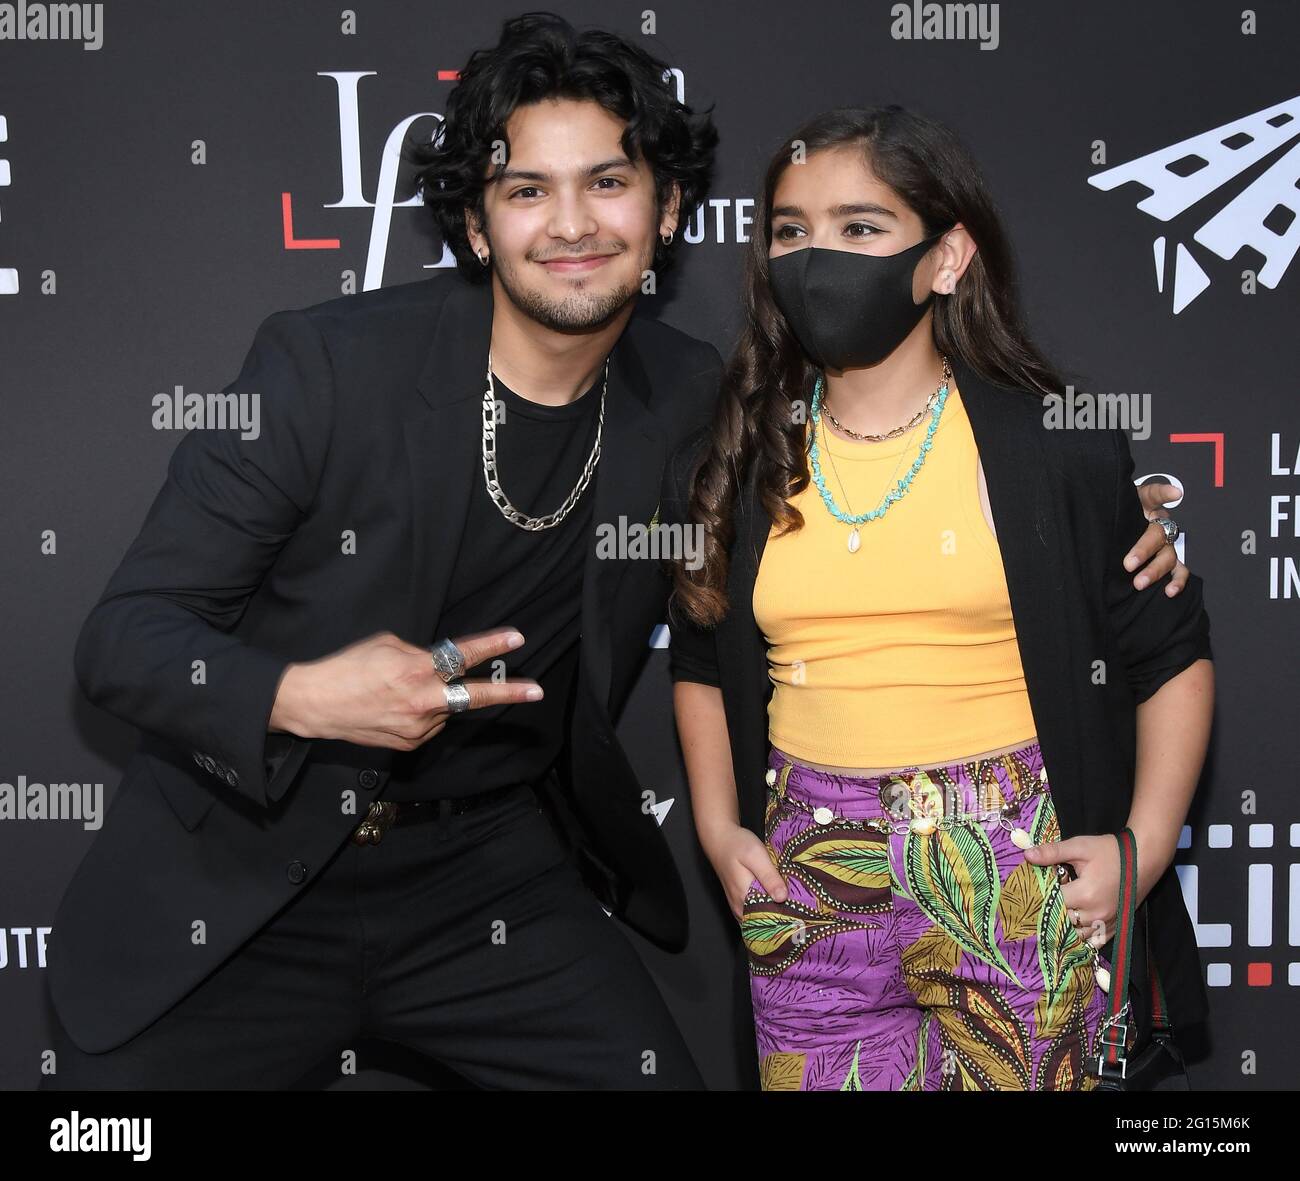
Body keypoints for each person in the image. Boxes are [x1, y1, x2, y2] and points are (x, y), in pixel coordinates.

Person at [42, 13, 721, 1090]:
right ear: (474, 221)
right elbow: (122, 639)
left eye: (607, 181)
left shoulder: (690, 396)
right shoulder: (323, 367)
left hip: (485, 878)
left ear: (669, 206)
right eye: (526, 190)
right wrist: (303, 692)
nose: (572, 224)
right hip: (252, 872)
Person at [660, 105, 1213, 1091]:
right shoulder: (741, 451)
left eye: (860, 228)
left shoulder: (1052, 445)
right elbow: (701, 659)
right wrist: (717, 825)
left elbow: (1166, 651)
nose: (818, 256)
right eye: (791, 231)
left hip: (1010, 853)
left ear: (946, 256)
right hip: (807, 864)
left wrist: (1145, 843)